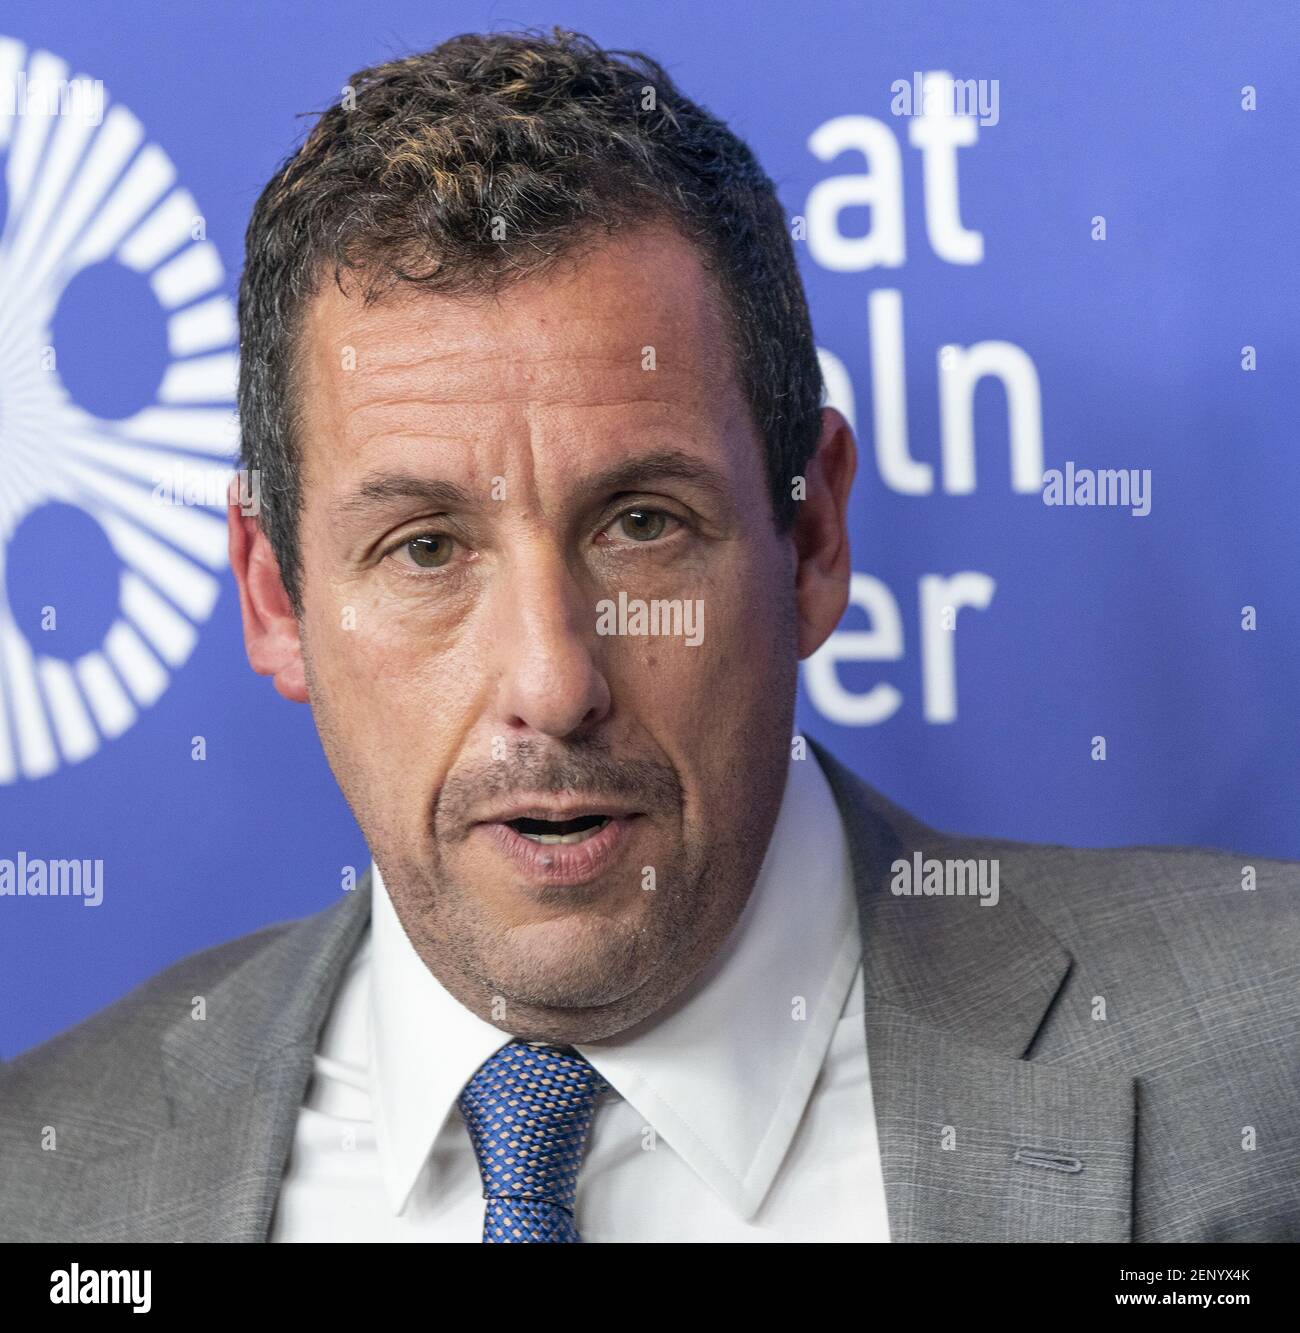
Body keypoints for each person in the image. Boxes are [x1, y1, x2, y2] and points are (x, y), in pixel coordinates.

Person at [2, 27, 1297, 1244]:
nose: (553, 681)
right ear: (274, 596)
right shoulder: (46, 1178)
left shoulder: (1265, 1058)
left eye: (640, 521)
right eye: (427, 548)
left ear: (812, 535)